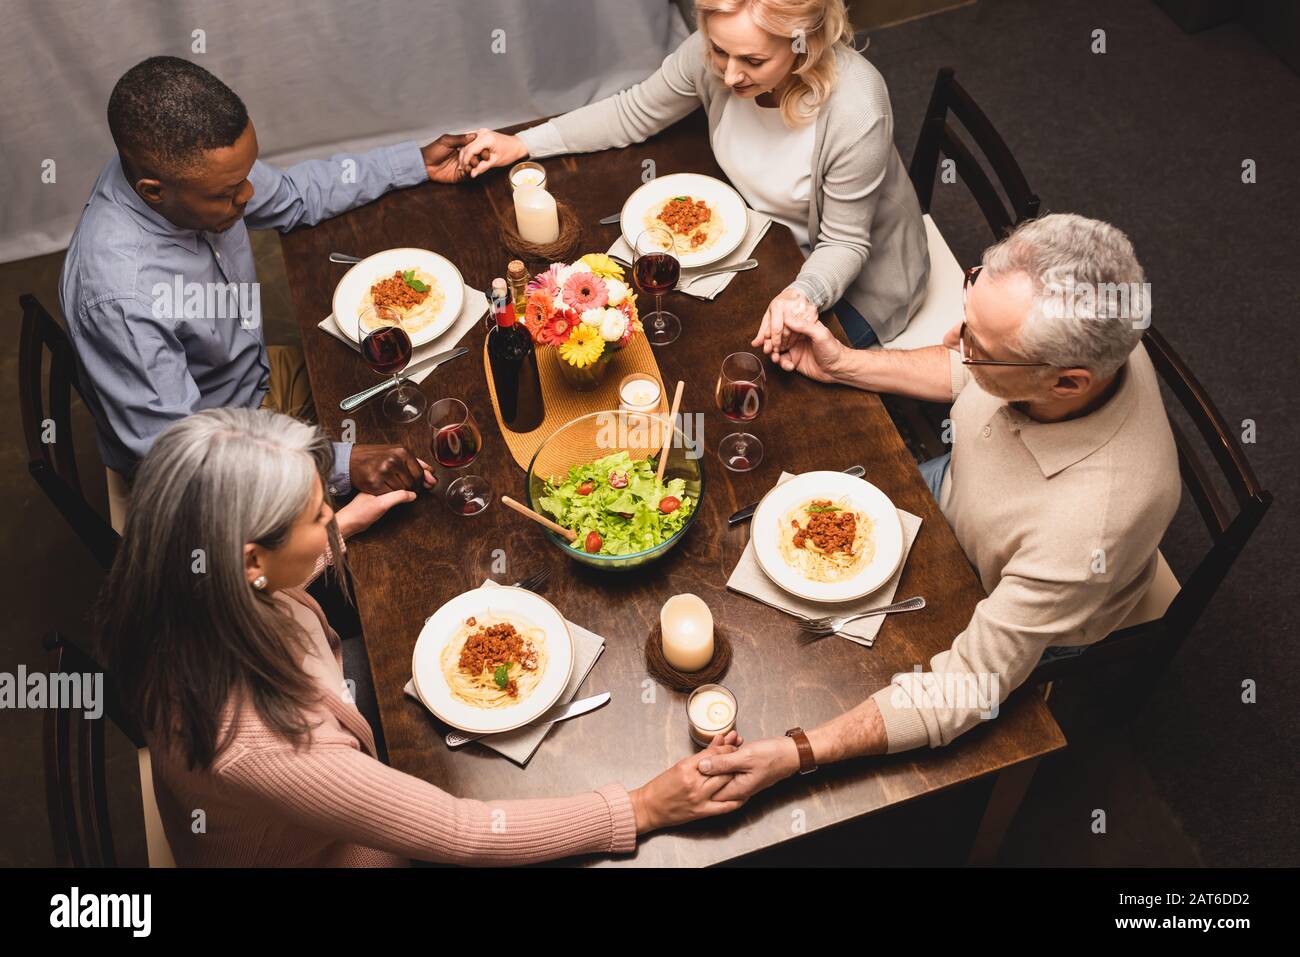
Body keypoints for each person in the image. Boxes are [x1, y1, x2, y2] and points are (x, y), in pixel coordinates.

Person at [98, 407, 746, 866]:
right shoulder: (257, 741)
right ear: (249, 559)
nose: (330, 515)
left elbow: (272, 577)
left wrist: (342, 524)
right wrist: (641, 806)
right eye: (316, 513)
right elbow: (460, 832)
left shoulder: (187, 583)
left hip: (335, 759)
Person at [696, 214, 1181, 796]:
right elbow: (968, 372)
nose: (953, 340)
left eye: (979, 347)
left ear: (1068, 385)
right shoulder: (1067, 335)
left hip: (1006, 597)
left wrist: (799, 751)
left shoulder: (1086, 531)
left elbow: (965, 687)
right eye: (969, 306)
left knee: (819, 678)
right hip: (956, 486)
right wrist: (843, 364)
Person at [59, 56, 471, 526]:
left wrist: (415, 162)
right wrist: (338, 464)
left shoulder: (196, 175)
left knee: (427, 401)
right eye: (228, 194)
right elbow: (183, 465)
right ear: (153, 192)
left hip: (253, 383)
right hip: (207, 466)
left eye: (247, 176)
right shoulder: (120, 297)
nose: (249, 196)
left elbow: (296, 195)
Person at [458, 0, 928, 352]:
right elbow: (633, 112)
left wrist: (801, 295)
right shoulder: (718, 54)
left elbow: (845, 244)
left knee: (753, 366)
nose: (729, 76)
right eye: (719, 51)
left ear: (806, 45)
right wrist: (523, 144)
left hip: (857, 284)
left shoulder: (857, 106)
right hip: (767, 246)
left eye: (754, 62)